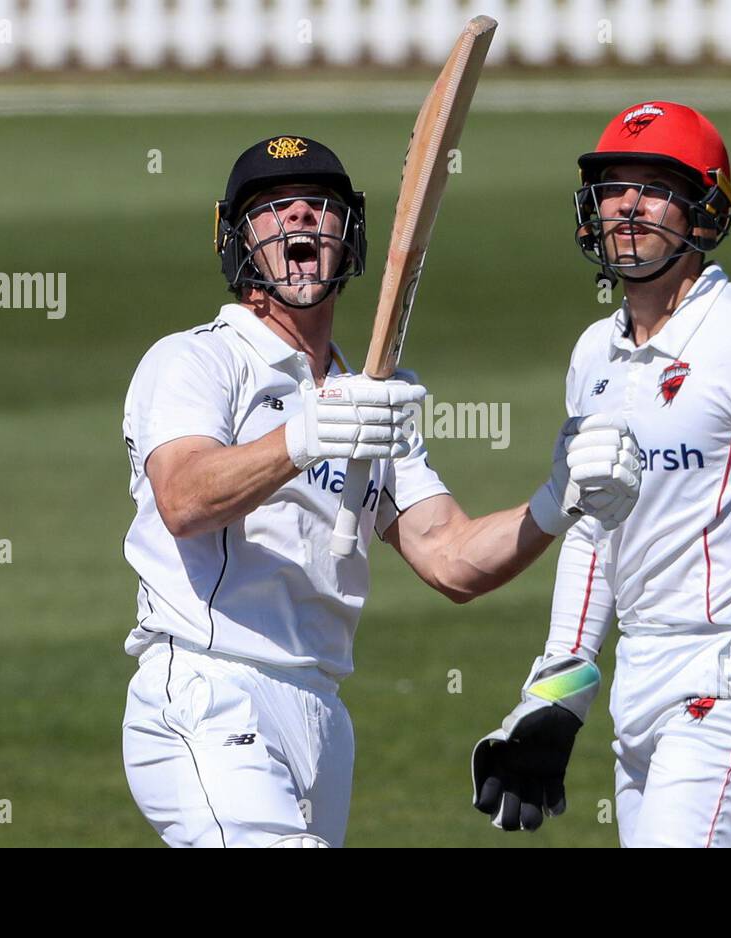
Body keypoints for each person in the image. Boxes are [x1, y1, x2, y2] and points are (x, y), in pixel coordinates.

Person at [119, 134, 642, 847]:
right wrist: (305, 436)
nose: (299, 220)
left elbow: (450, 557)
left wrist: (558, 500)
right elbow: (183, 497)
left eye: (319, 208)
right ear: (238, 242)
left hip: (322, 713)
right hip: (208, 688)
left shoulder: (369, 399)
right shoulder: (198, 359)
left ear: (350, 238)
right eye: (274, 209)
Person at [471, 103, 731, 847]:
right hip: (638, 678)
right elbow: (591, 523)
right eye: (613, 187)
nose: (628, 205)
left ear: (705, 210)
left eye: (654, 186)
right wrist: (560, 682)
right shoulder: (591, 356)